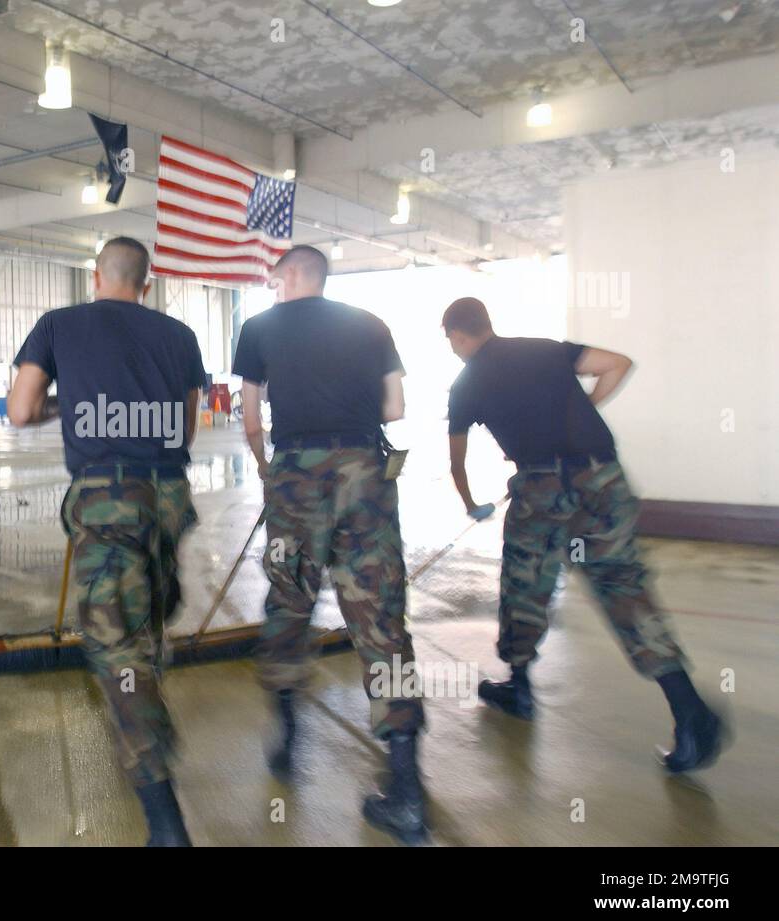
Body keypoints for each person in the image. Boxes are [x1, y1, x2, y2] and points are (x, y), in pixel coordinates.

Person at [442, 296, 723, 771]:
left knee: (524, 585)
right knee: (623, 588)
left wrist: (472, 503)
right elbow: (618, 363)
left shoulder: (465, 383)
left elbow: (456, 459)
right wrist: (583, 410)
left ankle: (519, 686)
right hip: (603, 479)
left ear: (458, 335)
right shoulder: (547, 349)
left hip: (542, 489)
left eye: (451, 340)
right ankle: (690, 711)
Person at [8, 237, 206, 847]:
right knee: (145, 621)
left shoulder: (58, 324)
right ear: (146, 282)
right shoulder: (179, 335)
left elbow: (20, 411)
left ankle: (164, 817)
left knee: (115, 644)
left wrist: (71, 411)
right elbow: (187, 425)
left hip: (106, 496)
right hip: (168, 495)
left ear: (96, 276)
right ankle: (143, 699)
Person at [233, 245, 426, 844]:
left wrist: (269, 466)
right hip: (367, 472)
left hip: (296, 475)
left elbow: (250, 414)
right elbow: (395, 407)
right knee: (380, 616)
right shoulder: (370, 324)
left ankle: (287, 740)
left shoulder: (260, 327)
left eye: (275, 277)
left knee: (290, 599)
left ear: (289, 277)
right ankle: (406, 788)